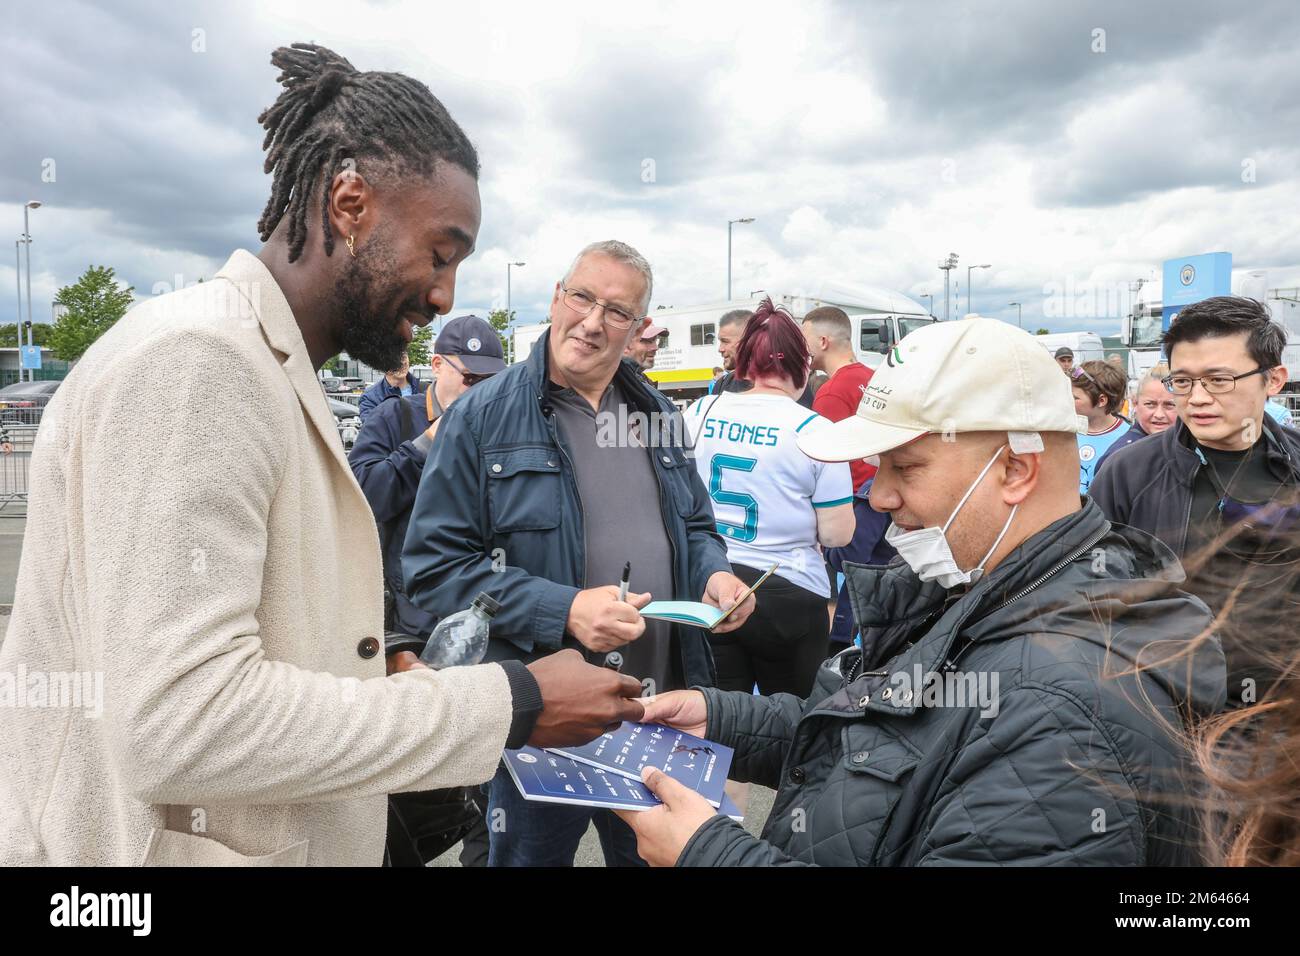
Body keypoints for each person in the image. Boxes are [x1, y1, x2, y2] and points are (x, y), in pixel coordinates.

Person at [0, 42, 643, 867]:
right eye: (440, 253)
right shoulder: (201, 362)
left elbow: (268, 651)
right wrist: (509, 702)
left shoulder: (263, 365)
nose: (446, 295)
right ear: (349, 203)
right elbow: (181, 721)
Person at [614, 317, 1225, 867]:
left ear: (1016, 470)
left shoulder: (1062, 705)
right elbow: (889, 735)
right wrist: (723, 720)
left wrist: (710, 855)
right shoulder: (981, 585)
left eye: (905, 468)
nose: (879, 496)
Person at [402, 239, 756, 867]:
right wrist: (562, 610)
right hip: (544, 722)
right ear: (556, 299)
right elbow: (434, 569)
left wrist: (716, 574)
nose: (593, 323)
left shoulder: (657, 415)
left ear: (639, 327)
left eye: (617, 311)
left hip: (656, 714)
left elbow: (697, 525)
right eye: (583, 298)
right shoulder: (483, 417)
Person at [1091, 295, 1300, 710]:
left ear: (1273, 380)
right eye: (1183, 381)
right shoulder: (1127, 472)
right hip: (1167, 708)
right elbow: (1090, 594)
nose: (1197, 398)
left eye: (1219, 380)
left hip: (1284, 713)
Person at [684, 299, 855, 697]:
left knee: (718, 723)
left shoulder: (701, 410)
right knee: (794, 725)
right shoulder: (814, 427)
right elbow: (837, 535)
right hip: (789, 591)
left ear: (744, 363)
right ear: (801, 363)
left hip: (712, 582)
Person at [350, 313, 505, 644]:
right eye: (471, 378)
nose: (480, 392)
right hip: (414, 615)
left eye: (491, 382)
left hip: (485, 610)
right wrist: (426, 443)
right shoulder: (395, 416)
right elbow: (361, 498)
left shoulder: (503, 426)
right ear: (436, 365)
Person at [802, 305, 876, 490]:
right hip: (877, 494)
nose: (800, 348)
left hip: (853, 499)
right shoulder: (875, 377)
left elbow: (822, 463)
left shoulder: (831, 393)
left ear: (823, 342)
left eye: (804, 341)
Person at [712, 307, 814, 409]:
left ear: (749, 340)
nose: (720, 349)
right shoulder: (722, 385)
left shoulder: (791, 385)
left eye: (725, 341)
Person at [1094, 363, 1176, 472]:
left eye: (1169, 405)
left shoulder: (1192, 446)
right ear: (1135, 403)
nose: (1159, 414)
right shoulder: (1120, 458)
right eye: (1150, 404)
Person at [1071, 359, 1128, 495]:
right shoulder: (1066, 432)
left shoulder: (1127, 439)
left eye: (1075, 398)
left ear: (1101, 401)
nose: (1068, 401)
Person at [358, 349, 426, 422]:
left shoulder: (427, 390)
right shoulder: (370, 398)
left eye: (404, 356)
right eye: (395, 358)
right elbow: (371, 430)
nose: (402, 362)